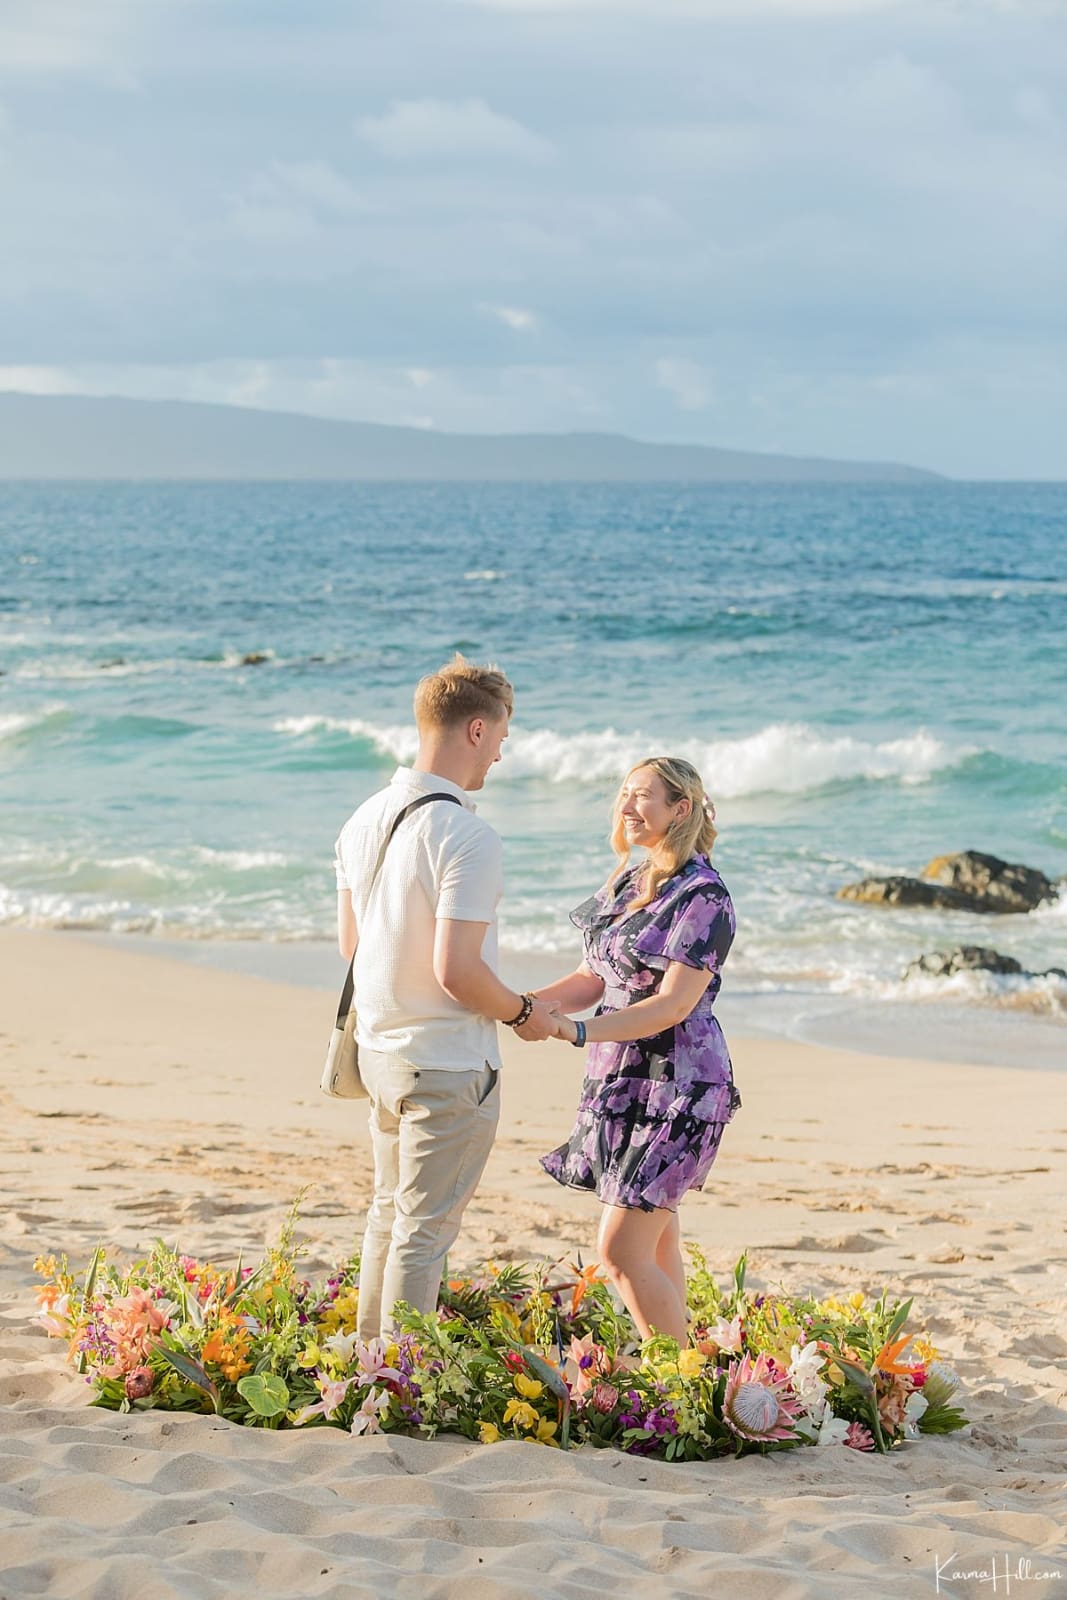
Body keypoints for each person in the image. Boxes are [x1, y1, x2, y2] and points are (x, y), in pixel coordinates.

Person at [334, 655, 557, 1342]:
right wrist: (524, 1013)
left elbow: (351, 945)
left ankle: (369, 1365)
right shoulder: (466, 833)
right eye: (500, 738)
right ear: (476, 729)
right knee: (425, 1232)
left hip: (379, 1053)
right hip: (446, 1061)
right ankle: (398, 1379)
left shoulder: (363, 818)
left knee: (388, 1214)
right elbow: (458, 970)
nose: (499, 755)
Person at [531, 756, 741, 1347]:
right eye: (624, 793)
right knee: (657, 1242)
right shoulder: (630, 882)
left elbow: (673, 1004)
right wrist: (519, 1005)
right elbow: (590, 979)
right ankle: (686, 1373)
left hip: (679, 1087)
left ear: (681, 809)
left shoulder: (705, 896)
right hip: (623, 1080)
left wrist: (576, 1033)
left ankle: (677, 1378)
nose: (626, 806)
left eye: (642, 795)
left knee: (621, 1251)